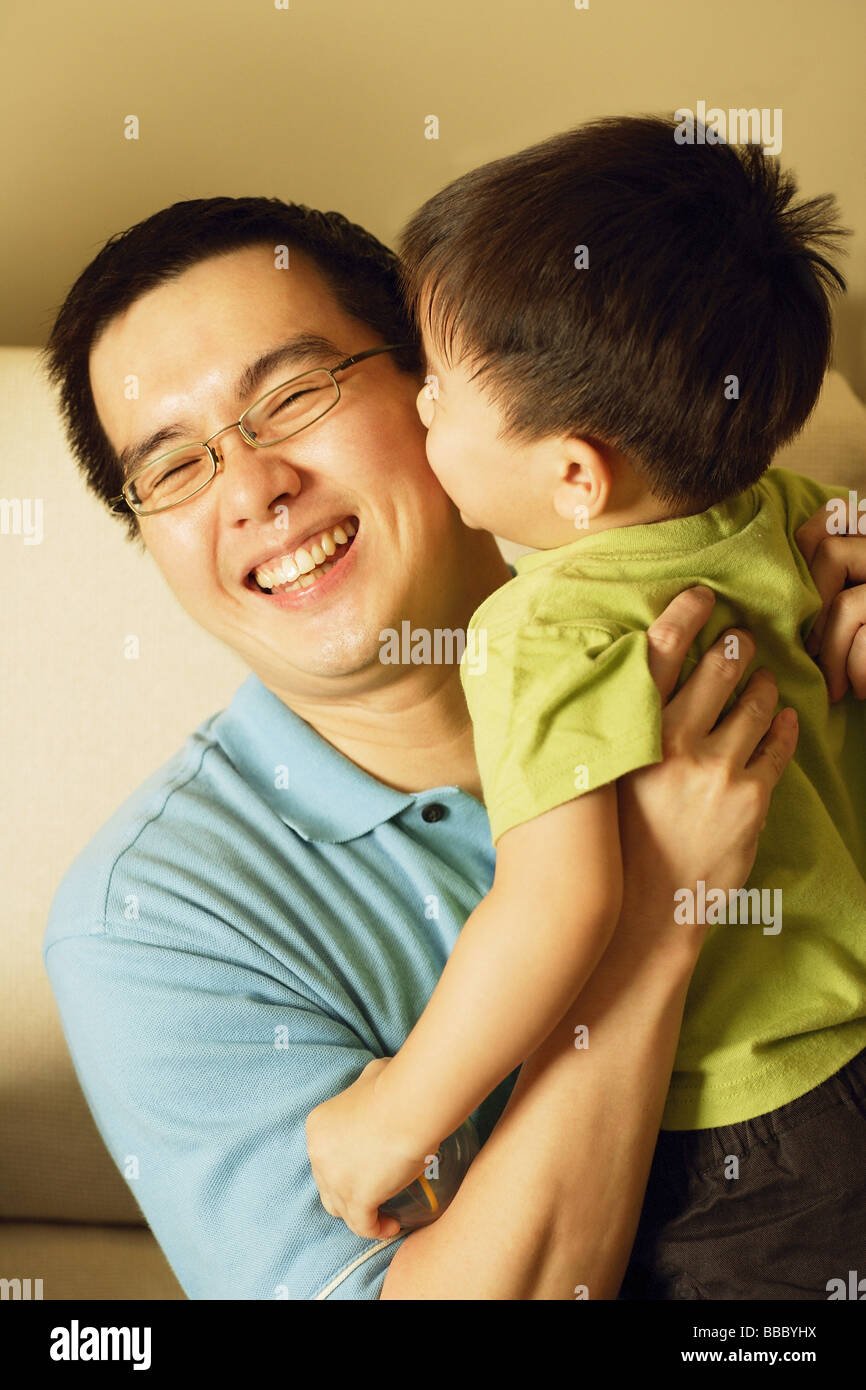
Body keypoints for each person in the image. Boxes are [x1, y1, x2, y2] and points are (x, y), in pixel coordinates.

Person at [39, 195, 853, 1300]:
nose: (253, 490)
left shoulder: (754, 584)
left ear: (441, 387)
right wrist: (652, 913)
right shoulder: (149, 921)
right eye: (173, 468)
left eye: (292, 395)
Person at [309, 116, 866, 1299]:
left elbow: (559, 902)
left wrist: (395, 1111)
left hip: (741, 1130)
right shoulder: (766, 503)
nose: (416, 411)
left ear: (573, 473)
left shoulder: (541, 628)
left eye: (441, 392)